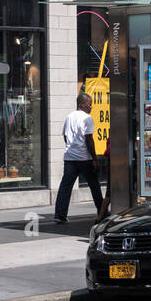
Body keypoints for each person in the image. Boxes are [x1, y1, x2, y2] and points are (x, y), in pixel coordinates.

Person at [54, 92, 103, 223]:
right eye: (89, 104)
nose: (91, 107)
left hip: (70, 158)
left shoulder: (68, 117)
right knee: (94, 185)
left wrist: (71, 146)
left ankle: (60, 215)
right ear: (82, 104)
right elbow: (89, 139)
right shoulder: (87, 118)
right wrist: (95, 158)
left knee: (65, 186)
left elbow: (64, 135)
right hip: (84, 158)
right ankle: (102, 211)